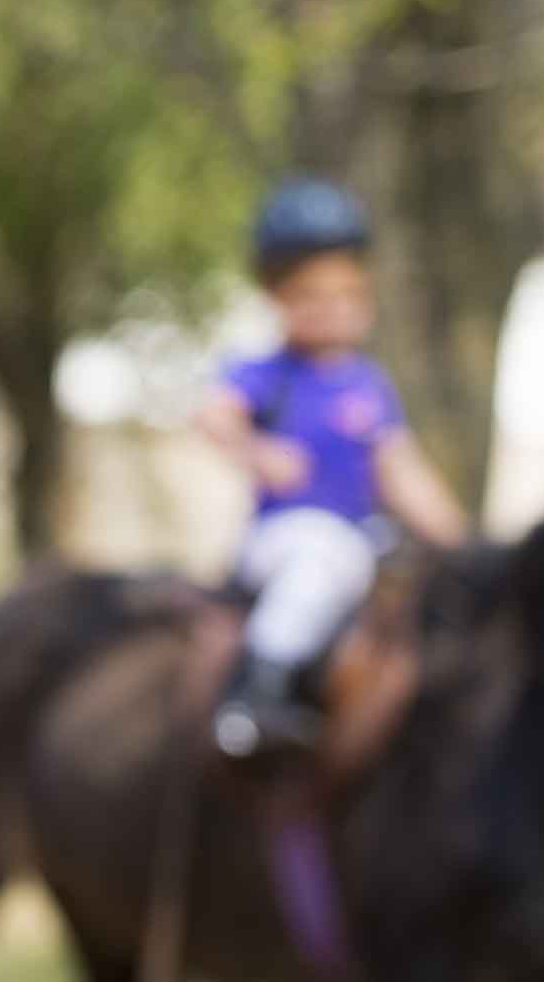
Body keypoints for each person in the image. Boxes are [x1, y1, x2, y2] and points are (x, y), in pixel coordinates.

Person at [195, 177, 467, 758]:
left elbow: (403, 471)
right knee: (322, 558)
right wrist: (257, 452)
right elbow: (213, 416)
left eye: (344, 295)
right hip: (286, 536)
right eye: (309, 296)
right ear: (277, 299)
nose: (329, 310)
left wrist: (468, 546)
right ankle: (254, 693)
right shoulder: (268, 372)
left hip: (358, 543)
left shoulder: (367, 386)